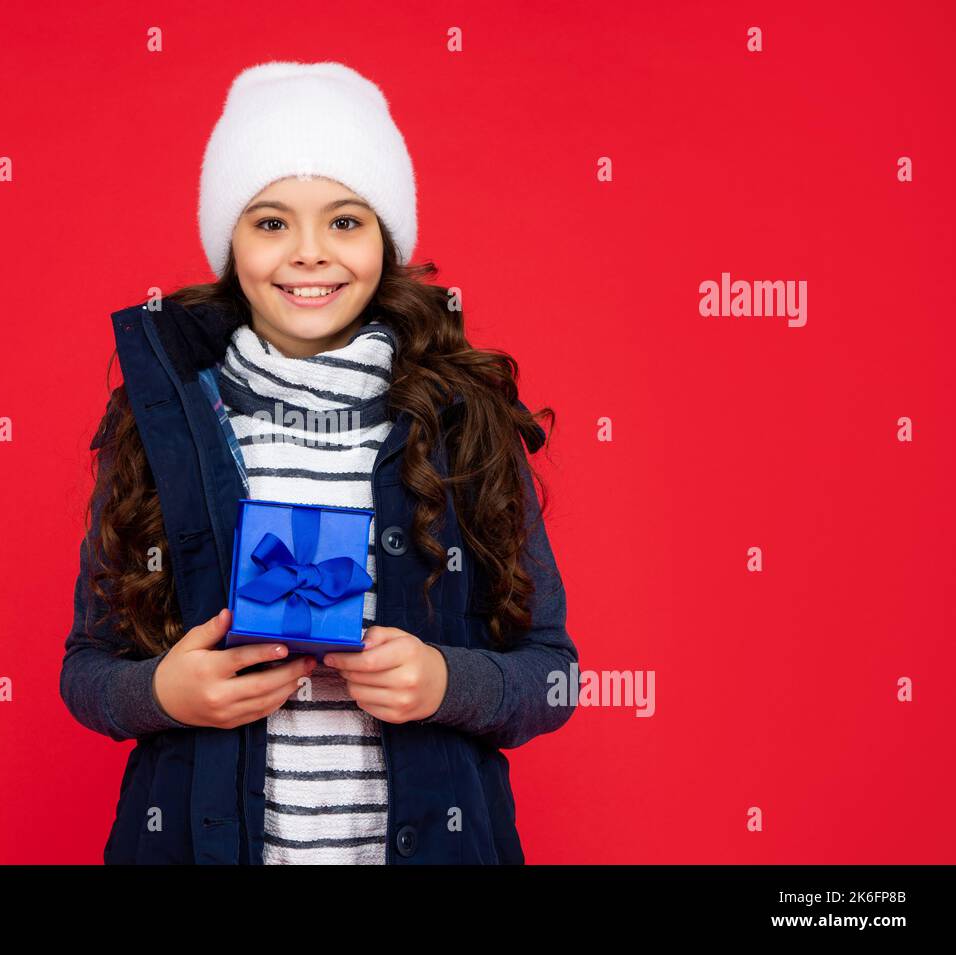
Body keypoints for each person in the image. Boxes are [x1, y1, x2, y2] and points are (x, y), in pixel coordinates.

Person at [59, 61, 579, 864]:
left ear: (387, 239)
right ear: (229, 240)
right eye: (270, 222)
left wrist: (447, 682)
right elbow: (86, 671)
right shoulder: (160, 420)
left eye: (344, 221)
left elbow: (555, 675)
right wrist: (165, 692)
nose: (308, 254)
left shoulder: (464, 417)